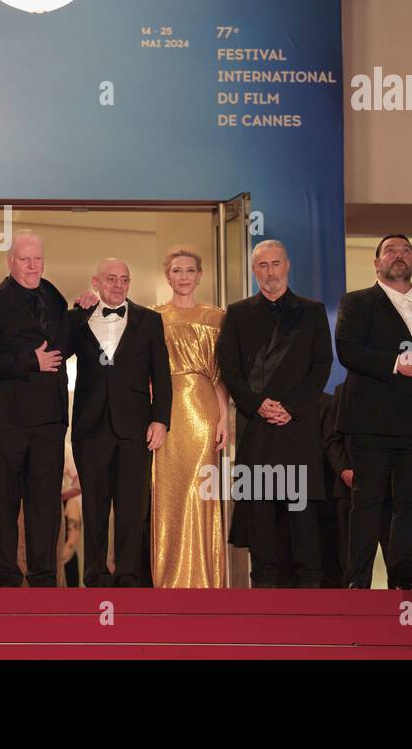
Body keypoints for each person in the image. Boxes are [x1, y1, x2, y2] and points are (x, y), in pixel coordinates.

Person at [335, 234, 412, 589]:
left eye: (406, 250)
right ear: (376, 263)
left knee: (411, 507)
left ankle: (401, 587)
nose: (399, 255)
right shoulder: (357, 302)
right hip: (370, 425)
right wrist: (396, 363)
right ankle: (357, 586)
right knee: (367, 504)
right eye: (390, 250)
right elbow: (347, 350)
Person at [216, 240, 332, 588]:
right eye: (262, 266)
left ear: (287, 266)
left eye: (275, 264)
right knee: (261, 514)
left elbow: (321, 366)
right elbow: (229, 368)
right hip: (256, 428)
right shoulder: (237, 313)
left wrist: (289, 408)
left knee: (302, 515)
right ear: (254, 272)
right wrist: (257, 404)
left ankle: (309, 590)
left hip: (297, 428)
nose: (270, 272)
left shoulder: (311, 311)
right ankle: (262, 589)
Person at [0, 230, 74, 588]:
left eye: (38, 259)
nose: (33, 266)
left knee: (45, 505)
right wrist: (29, 361)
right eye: (25, 259)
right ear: (10, 261)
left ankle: (44, 578)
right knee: (2, 506)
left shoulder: (55, 297)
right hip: (5, 421)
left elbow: (65, 344)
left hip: (49, 420)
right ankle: (4, 580)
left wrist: (86, 308)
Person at [68, 258, 172, 587]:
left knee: (131, 508)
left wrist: (161, 420)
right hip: (90, 427)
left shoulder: (150, 320)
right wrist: (76, 310)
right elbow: (57, 350)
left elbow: (162, 376)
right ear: (96, 282)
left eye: (124, 279)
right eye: (111, 279)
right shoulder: (77, 318)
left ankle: (128, 575)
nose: (118, 285)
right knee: (95, 507)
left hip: (135, 428)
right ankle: (95, 574)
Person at [151, 246, 230, 589]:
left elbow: (221, 375)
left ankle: (204, 580)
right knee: (164, 491)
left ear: (199, 275)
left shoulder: (218, 318)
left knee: (201, 493)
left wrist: (224, 418)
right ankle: (166, 579)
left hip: (203, 411)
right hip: (164, 411)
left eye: (189, 270)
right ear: (167, 276)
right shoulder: (152, 316)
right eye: (177, 271)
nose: (183, 276)